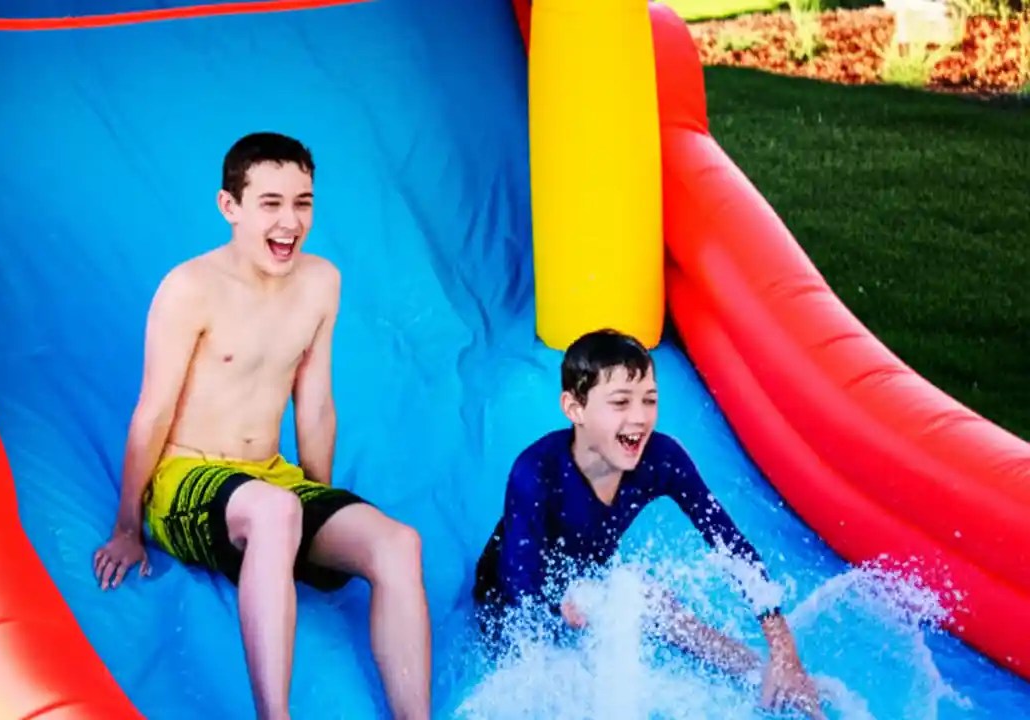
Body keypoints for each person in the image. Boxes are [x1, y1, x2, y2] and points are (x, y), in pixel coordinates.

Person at [91, 132, 431, 720]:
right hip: (188, 478)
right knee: (276, 512)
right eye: (270, 203)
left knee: (399, 543)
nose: (290, 222)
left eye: (302, 202)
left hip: (272, 478)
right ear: (231, 208)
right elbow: (152, 411)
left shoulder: (321, 282)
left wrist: (325, 503)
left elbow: (316, 403)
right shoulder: (190, 288)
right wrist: (127, 525)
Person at [472, 328, 825, 719]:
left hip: (586, 584)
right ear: (575, 409)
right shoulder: (536, 471)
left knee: (658, 605)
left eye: (649, 400)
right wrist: (559, 608)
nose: (639, 418)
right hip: (512, 599)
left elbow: (726, 541)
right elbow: (517, 579)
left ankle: (773, 675)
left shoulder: (662, 459)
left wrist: (782, 644)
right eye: (620, 402)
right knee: (559, 681)